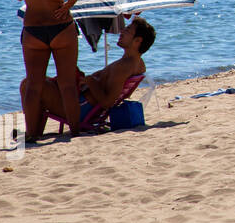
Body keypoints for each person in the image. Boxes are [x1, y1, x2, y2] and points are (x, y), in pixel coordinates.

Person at [23, 17, 155, 137]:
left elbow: (108, 102)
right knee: (40, 82)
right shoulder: (137, 63)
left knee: (29, 84)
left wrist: (91, 81)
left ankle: (32, 132)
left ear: (138, 41)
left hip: (81, 109)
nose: (121, 32)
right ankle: (35, 131)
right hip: (86, 106)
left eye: (127, 31)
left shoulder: (124, 66)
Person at [15, 0, 84, 141]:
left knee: (34, 85)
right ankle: (75, 131)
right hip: (61, 28)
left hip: (33, 29)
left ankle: (33, 134)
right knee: (67, 84)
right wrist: (67, 5)